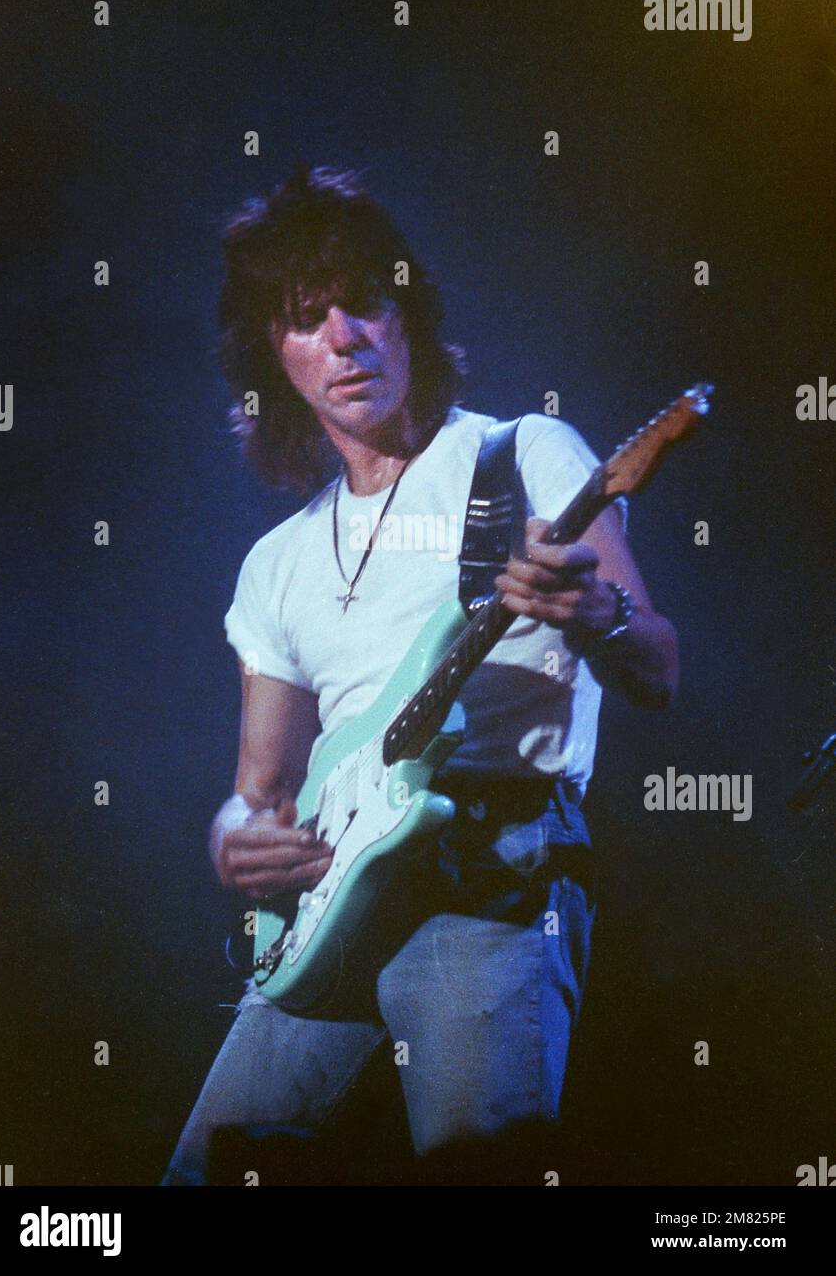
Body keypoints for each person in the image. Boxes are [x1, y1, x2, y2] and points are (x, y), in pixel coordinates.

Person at [161, 163, 678, 1185]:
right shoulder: (277, 560)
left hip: (488, 877)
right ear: (273, 356)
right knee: (201, 1174)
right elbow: (255, 793)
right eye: (307, 318)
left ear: (408, 319)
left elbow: (657, 661)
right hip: (323, 910)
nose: (345, 337)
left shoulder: (517, 454)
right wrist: (234, 845)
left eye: (366, 303)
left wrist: (592, 610)